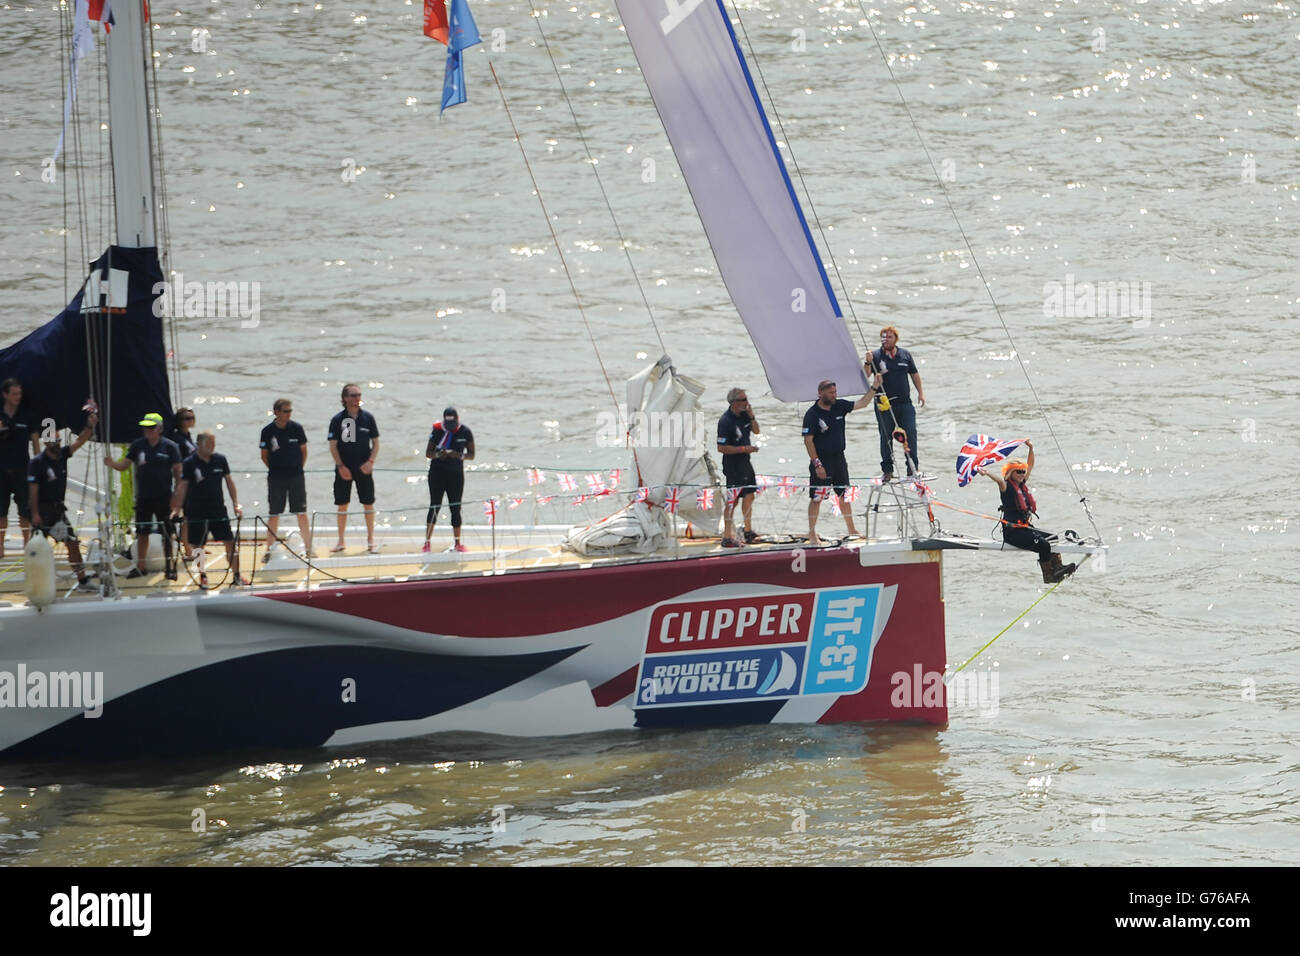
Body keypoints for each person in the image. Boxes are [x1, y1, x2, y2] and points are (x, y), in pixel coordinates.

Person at [977, 440, 1076, 584]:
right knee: (1044, 545)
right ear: (1011, 472)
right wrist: (987, 473)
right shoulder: (1006, 487)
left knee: (1052, 537)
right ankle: (1049, 575)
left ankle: (1057, 568)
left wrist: (1031, 448)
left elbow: (1030, 466)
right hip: (1013, 533)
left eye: (1023, 472)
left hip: (1025, 528)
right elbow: (999, 480)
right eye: (1019, 471)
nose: (1022, 474)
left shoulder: (1021, 485)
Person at [27, 410, 100, 592]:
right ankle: (37, 582)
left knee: (72, 543)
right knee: (36, 549)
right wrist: (34, 514)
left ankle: (82, 581)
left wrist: (90, 425)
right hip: (42, 512)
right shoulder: (38, 463)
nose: (57, 444)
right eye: (53, 441)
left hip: (58, 510)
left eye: (59, 440)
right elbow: (33, 490)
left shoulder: (63, 456)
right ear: (46, 442)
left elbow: (80, 441)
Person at [104, 412, 182, 579]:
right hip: (143, 497)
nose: (147, 430)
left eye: (151, 427)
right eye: (145, 427)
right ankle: (141, 566)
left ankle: (170, 566)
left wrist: (176, 497)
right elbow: (124, 465)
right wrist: (112, 464)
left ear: (160, 429)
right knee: (142, 532)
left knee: (167, 533)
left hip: (164, 497)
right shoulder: (137, 445)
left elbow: (178, 472)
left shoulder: (170, 447)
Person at [803, 378, 878, 547]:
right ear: (820, 393)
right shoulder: (812, 414)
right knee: (817, 497)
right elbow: (808, 440)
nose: (833, 395)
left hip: (839, 458)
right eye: (830, 393)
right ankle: (812, 532)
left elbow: (862, 403)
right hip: (822, 459)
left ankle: (851, 529)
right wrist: (817, 464)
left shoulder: (840, 406)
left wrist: (874, 387)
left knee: (844, 495)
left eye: (835, 392)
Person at [171, 431, 247, 587]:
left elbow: (229, 482)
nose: (212, 447)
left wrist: (235, 504)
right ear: (199, 444)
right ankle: (203, 576)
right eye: (209, 444)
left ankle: (237, 575)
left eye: (214, 443)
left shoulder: (220, 460)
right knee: (198, 546)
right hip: (197, 509)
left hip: (218, 508)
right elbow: (183, 486)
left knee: (230, 542)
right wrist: (177, 508)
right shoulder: (190, 462)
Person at [866, 325, 926, 480]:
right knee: (885, 436)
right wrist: (867, 362)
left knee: (910, 433)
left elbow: (914, 374)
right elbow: (866, 375)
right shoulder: (875, 356)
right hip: (884, 404)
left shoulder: (905, 354)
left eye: (889, 337)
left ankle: (912, 467)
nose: (886, 340)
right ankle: (887, 470)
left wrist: (921, 393)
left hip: (904, 402)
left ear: (896, 339)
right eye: (883, 337)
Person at [327, 384, 380, 553]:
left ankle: (371, 540)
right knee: (342, 504)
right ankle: (341, 541)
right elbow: (333, 445)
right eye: (353, 395)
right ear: (345, 398)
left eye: (359, 395)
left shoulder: (368, 418)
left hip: (364, 467)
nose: (357, 398)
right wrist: (340, 466)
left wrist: (370, 461)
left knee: (368, 503)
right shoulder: (338, 420)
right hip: (344, 468)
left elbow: (376, 442)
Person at [259, 398, 312, 557]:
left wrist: (297, 468)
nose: (289, 414)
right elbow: (264, 455)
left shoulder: (297, 428)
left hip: (296, 476)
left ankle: (309, 548)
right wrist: (276, 469)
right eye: (285, 411)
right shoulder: (267, 431)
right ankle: (269, 549)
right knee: (274, 513)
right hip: (276, 477)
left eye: (290, 411)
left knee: (301, 512)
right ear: (276, 412)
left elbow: (304, 451)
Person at [423, 407, 474, 553]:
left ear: (458, 419)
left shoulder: (465, 431)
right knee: (434, 506)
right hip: (437, 474)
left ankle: (458, 543)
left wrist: (458, 455)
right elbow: (428, 453)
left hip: (456, 475)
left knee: (455, 508)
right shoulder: (437, 430)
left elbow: (471, 454)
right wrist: (440, 454)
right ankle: (427, 543)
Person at [0, 378, 40, 559]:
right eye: (14, 394)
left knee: (25, 510)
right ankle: (0, 548)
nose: (18, 397)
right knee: (1, 511)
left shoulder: (26, 415)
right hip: (1, 470)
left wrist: (39, 463)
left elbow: (35, 440)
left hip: (22, 469)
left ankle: (27, 545)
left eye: (20, 394)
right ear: (5, 395)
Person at [716, 387, 761, 548]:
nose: (747, 403)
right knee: (732, 501)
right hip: (732, 465)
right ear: (734, 402)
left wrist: (751, 415)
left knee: (749, 495)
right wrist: (743, 449)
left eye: (747, 399)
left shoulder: (744, 416)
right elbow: (721, 448)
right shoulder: (726, 420)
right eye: (743, 400)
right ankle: (727, 536)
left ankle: (747, 531)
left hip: (745, 463)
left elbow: (756, 431)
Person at [166, 408, 198, 559]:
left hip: (194, 480)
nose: (190, 420)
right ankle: (188, 549)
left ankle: (193, 544)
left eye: (192, 418)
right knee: (188, 516)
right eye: (186, 418)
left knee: (194, 514)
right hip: (185, 481)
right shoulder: (178, 439)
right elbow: (177, 463)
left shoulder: (188, 436)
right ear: (179, 421)